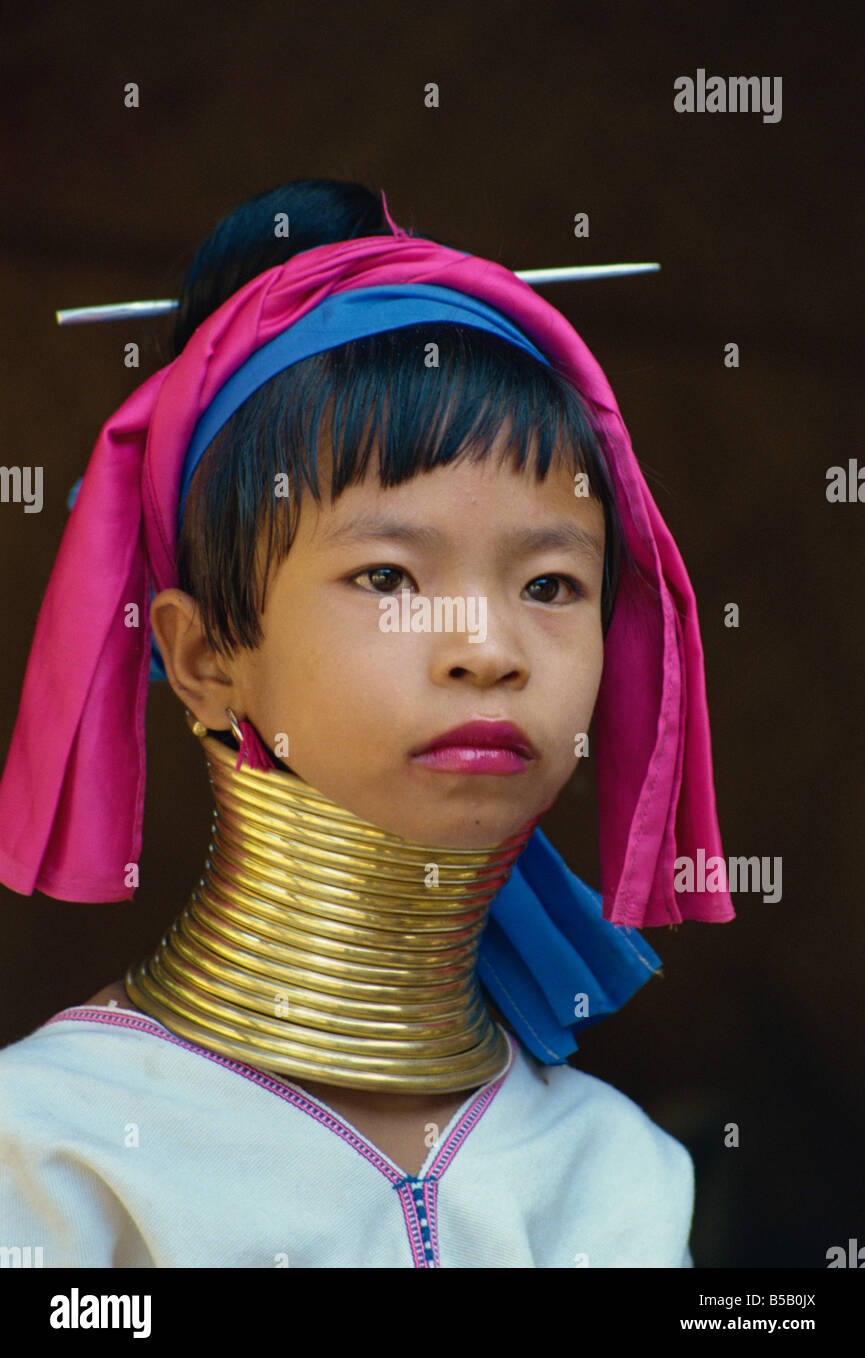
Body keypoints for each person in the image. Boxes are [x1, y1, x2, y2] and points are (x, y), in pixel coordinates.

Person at [0, 179, 734, 1268]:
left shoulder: (619, 1177)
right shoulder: (50, 1154)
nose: (486, 647)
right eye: (387, 574)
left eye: (549, 585)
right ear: (204, 659)